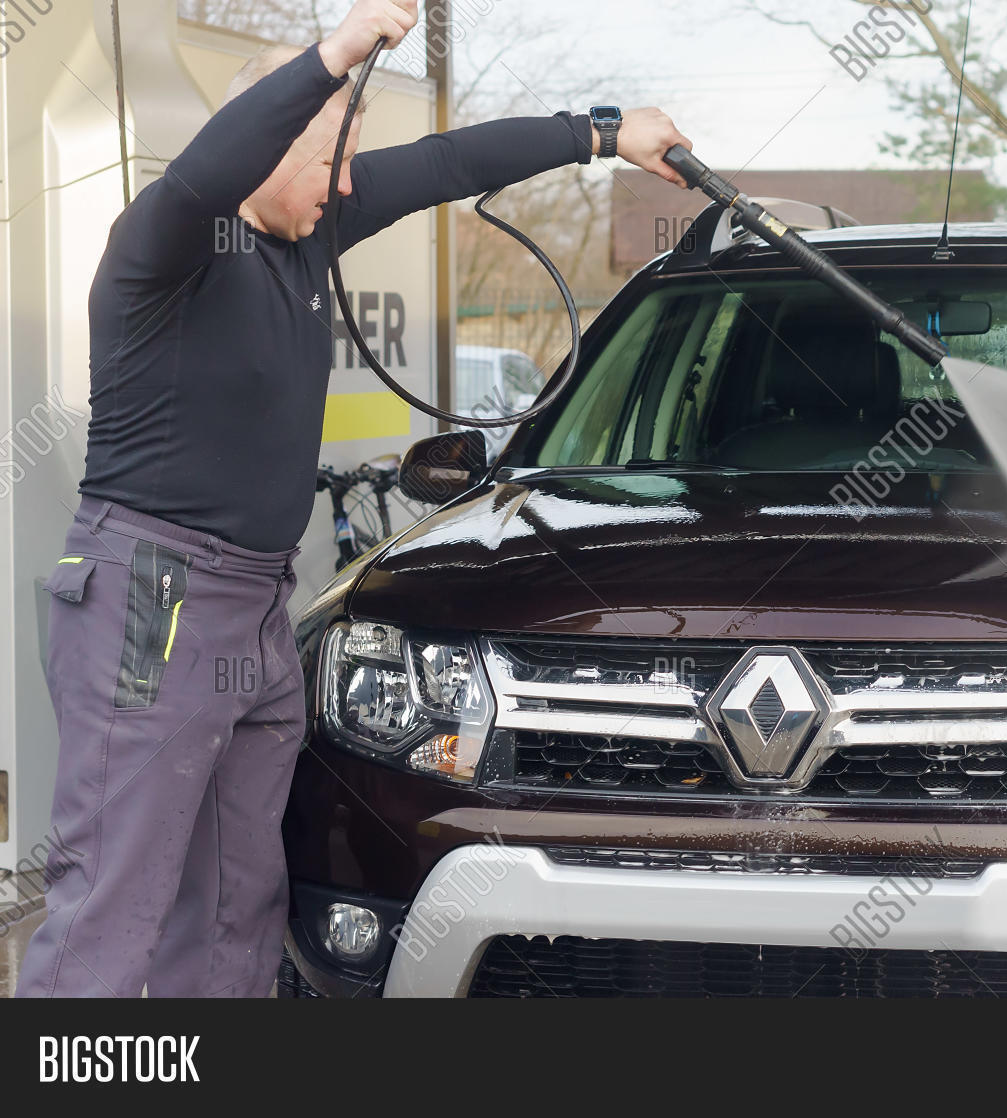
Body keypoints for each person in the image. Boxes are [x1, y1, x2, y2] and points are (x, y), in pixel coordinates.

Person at [19, 0, 692, 997]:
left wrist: (601, 132)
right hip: (150, 594)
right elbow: (213, 163)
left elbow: (448, 165)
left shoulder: (304, 237)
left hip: (252, 601)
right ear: (269, 149)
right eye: (330, 162)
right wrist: (337, 49)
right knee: (117, 898)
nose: (346, 185)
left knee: (238, 897)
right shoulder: (167, 244)